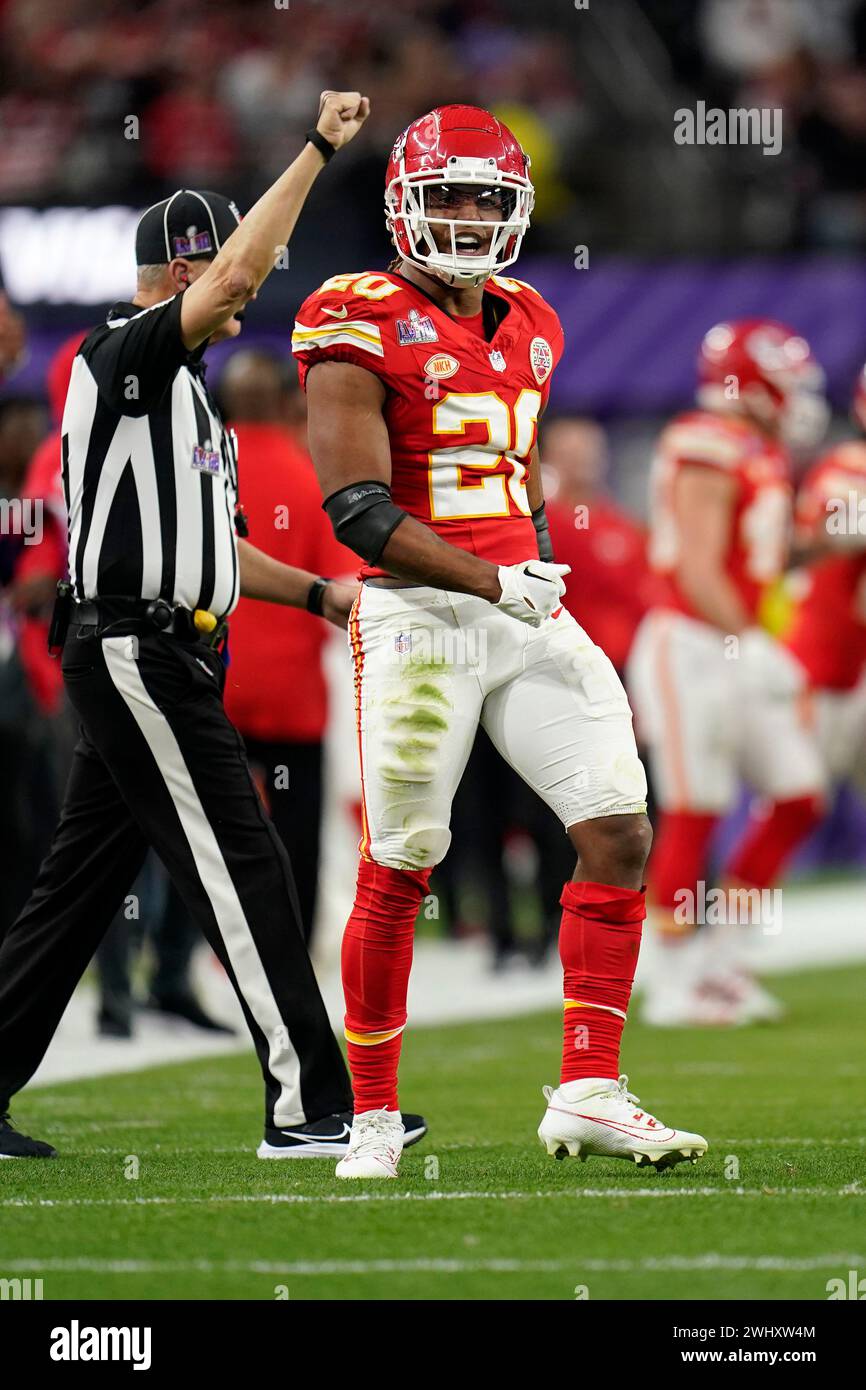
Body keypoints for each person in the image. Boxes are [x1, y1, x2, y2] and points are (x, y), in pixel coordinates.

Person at [0, 91, 426, 1161]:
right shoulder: (120, 359)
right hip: (138, 649)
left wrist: (318, 593)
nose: (248, 288)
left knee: (75, 895)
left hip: (161, 644)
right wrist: (321, 146)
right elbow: (238, 274)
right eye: (227, 268)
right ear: (185, 273)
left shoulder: (187, 402)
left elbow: (219, 550)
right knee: (246, 863)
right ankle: (307, 1105)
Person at [293, 103, 707, 1180]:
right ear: (401, 205)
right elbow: (354, 508)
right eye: (447, 197)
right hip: (421, 614)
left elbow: (509, 470)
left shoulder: (530, 316)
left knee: (614, 827)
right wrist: (493, 575)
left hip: (520, 608)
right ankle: (372, 1114)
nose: (468, 217)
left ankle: (587, 1088)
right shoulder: (352, 312)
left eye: (487, 198)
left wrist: (520, 566)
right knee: (403, 861)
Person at [627, 320, 829, 1027]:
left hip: (733, 642)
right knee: (695, 809)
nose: (802, 396)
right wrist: (757, 641)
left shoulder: (754, 447)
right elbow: (697, 567)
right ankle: (673, 978)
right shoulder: (707, 442)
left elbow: (758, 559)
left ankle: (723, 960)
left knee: (799, 796)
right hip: (690, 643)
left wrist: (834, 537)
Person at [218, 347, 356, 945]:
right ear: (286, 403)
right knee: (295, 826)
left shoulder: (202, 468)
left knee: (212, 826)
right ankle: (291, 944)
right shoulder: (309, 480)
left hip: (211, 683)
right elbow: (345, 591)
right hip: (291, 696)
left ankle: (212, 950)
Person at [734, 367, 866, 868]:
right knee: (794, 805)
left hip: (855, 671)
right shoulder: (848, 465)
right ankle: (726, 929)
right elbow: (837, 524)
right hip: (819, 671)